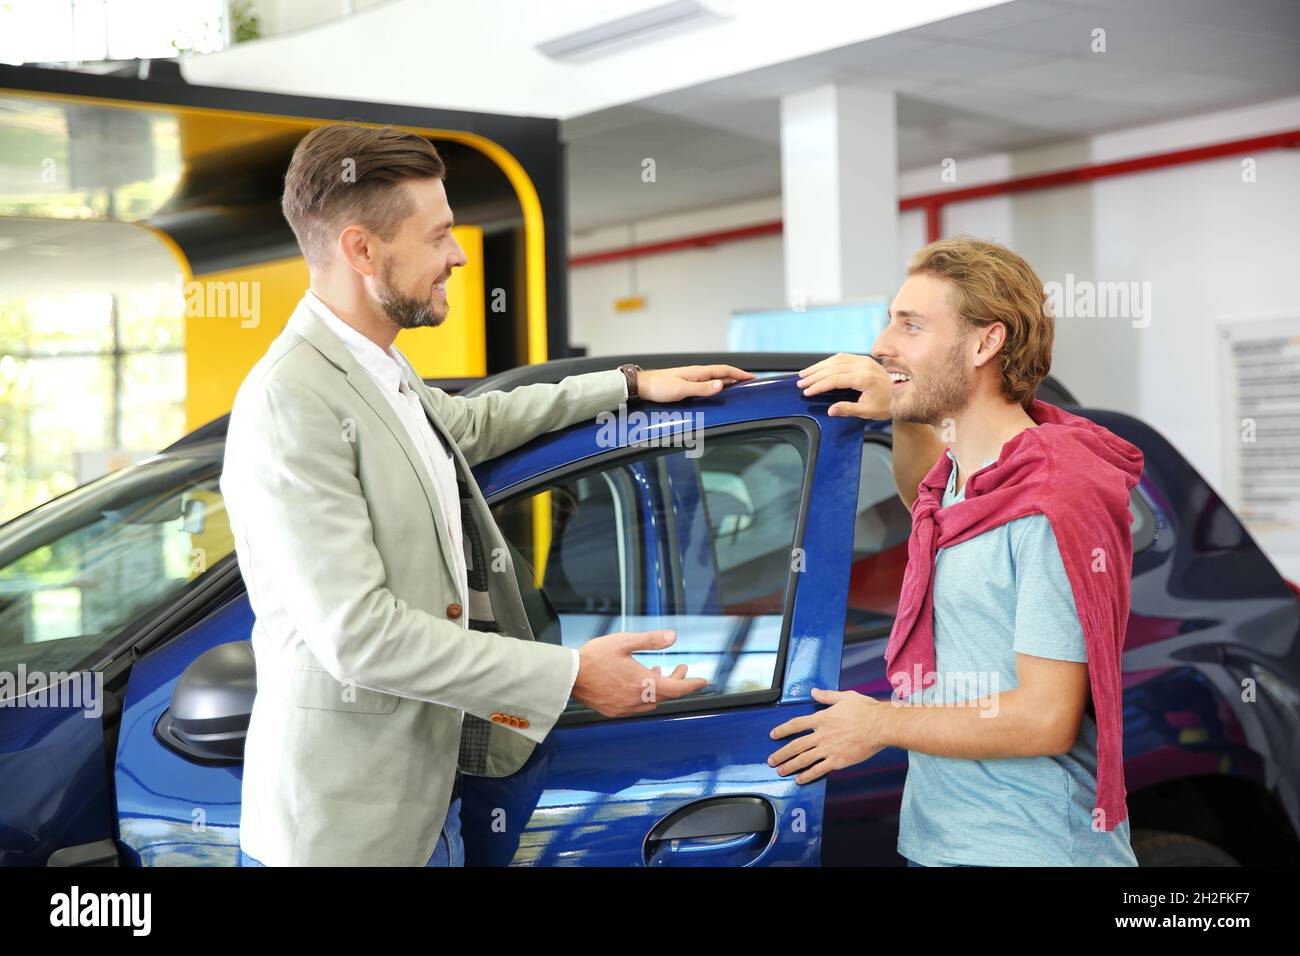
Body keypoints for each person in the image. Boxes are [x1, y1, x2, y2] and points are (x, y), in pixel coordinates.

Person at [223, 123, 752, 866]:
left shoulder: (380, 369)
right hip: (346, 836)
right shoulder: (293, 399)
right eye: (438, 235)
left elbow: (471, 422)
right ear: (362, 250)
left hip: (427, 804)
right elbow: (360, 635)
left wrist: (626, 386)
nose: (459, 254)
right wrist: (571, 674)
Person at [769, 236, 1141, 867]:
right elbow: (925, 499)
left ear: (984, 343)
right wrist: (902, 399)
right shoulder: (965, 482)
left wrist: (880, 724)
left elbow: (1044, 717)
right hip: (945, 844)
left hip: (1032, 852)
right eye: (889, 321)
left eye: (910, 326)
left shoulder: (1052, 500)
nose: (881, 344)